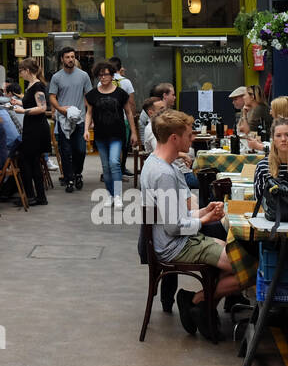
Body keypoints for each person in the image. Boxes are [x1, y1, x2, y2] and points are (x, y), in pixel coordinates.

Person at [140, 109, 238, 339]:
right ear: (174, 138)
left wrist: (204, 211)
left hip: (176, 241)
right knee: (244, 267)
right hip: (175, 245)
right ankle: (198, 302)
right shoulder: (164, 173)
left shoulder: (157, 164)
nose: (192, 138)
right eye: (188, 134)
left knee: (232, 251)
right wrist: (204, 219)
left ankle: (200, 306)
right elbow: (174, 227)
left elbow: (176, 214)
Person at [86, 61, 138, 203]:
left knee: (114, 162)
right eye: (100, 75)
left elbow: (128, 112)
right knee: (106, 166)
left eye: (106, 74)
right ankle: (110, 194)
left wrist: (133, 132)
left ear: (112, 75)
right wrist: (86, 130)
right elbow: (89, 113)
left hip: (117, 134)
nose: (103, 77)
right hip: (100, 134)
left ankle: (118, 195)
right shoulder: (92, 94)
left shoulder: (121, 93)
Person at [49, 46, 92, 192]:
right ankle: (69, 179)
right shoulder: (56, 77)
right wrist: (60, 109)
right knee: (65, 152)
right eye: (67, 57)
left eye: (72, 57)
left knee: (80, 150)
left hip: (80, 119)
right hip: (63, 120)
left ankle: (77, 173)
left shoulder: (83, 76)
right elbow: (52, 97)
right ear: (62, 59)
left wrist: (90, 116)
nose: (70, 59)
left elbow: (89, 97)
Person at [13, 57, 51, 205]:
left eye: (21, 71)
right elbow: (32, 103)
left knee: (28, 161)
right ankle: (37, 196)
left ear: (27, 70)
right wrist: (19, 102)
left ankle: (34, 196)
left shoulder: (37, 86)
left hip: (36, 129)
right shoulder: (31, 85)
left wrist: (23, 111)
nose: (20, 74)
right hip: (32, 127)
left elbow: (42, 107)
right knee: (31, 162)